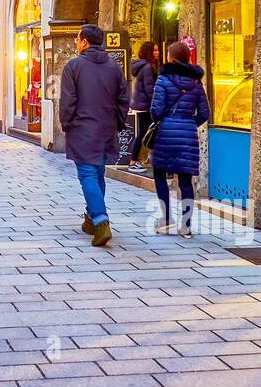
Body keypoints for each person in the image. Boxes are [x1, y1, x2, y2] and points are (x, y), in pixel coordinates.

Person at [60, 25, 131, 248]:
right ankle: (91, 219)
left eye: (77, 39)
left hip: (83, 127)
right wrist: (118, 121)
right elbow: (123, 98)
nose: (76, 43)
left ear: (84, 41)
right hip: (107, 127)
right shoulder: (114, 67)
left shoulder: (73, 66)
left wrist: (66, 123)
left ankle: (101, 221)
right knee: (98, 172)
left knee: (88, 174)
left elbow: (68, 100)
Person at [148, 40, 211, 239]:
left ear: (171, 57)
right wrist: (189, 123)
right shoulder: (196, 82)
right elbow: (204, 112)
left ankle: (166, 219)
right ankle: (186, 226)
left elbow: (156, 111)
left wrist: (164, 120)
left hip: (166, 133)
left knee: (160, 175)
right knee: (185, 181)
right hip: (187, 134)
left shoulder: (163, 80)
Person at [125, 42, 161, 175]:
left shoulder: (144, 66)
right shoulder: (147, 67)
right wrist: (157, 105)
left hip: (142, 105)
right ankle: (133, 161)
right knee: (145, 133)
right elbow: (150, 89)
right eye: (155, 50)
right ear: (149, 52)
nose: (157, 53)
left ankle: (142, 159)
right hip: (146, 106)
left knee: (146, 132)